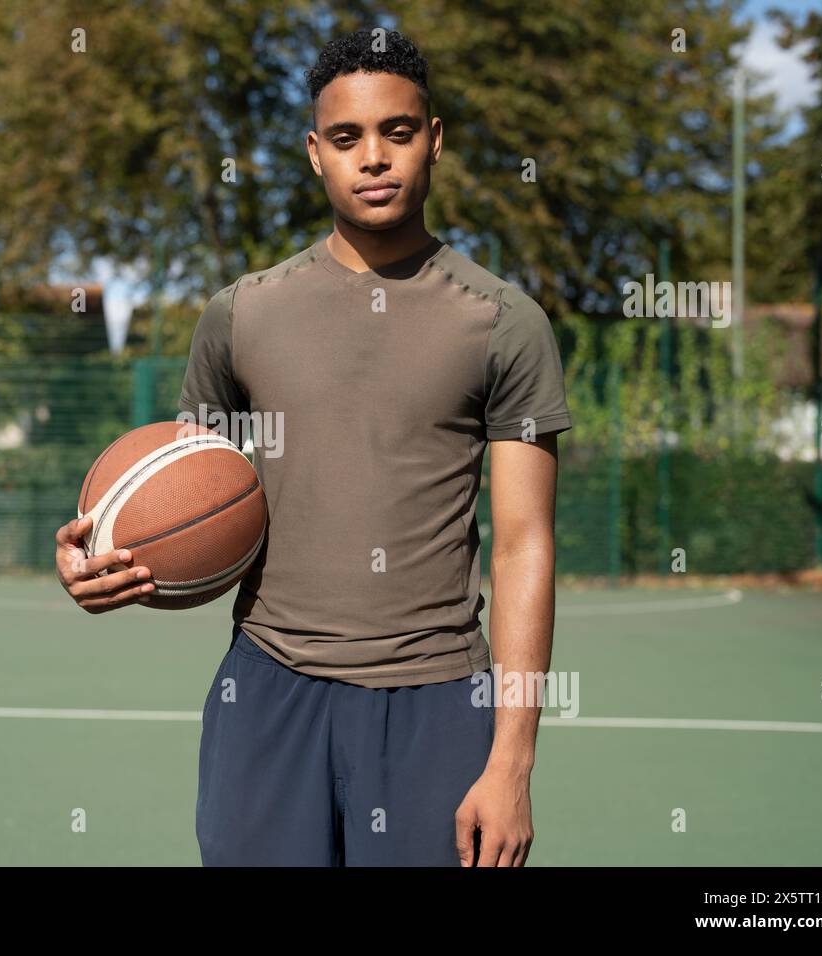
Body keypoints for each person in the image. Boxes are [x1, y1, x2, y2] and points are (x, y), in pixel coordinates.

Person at [56, 28, 570, 867]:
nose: (374, 157)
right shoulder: (242, 315)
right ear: (314, 154)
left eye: (397, 132)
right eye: (347, 138)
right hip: (266, 684)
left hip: (435, 697)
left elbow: (524, 547)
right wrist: (101, 555)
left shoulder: (503, 322)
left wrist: (512, 762)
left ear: (433, 141)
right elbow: (182, 496)